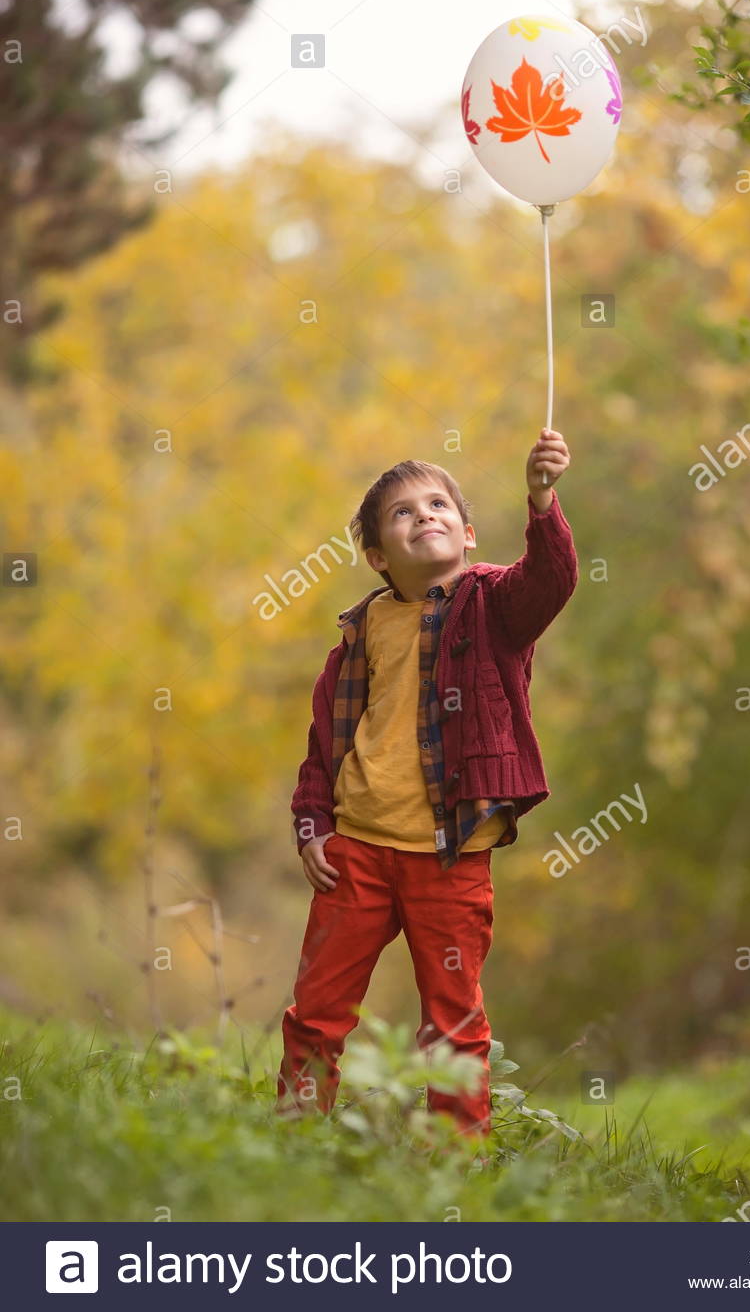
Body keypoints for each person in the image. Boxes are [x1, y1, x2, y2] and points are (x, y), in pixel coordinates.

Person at [276, 428, 578, 1137]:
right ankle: (292, 1138)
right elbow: (325, 746)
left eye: (439, 504)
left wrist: (541, 497)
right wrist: (312, 825)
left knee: (454, 1020)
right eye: (404, 513)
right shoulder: (362, 633)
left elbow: (554, 578)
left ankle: (454, 1160)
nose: (426, 516)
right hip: (357, 853)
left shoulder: (495, 607)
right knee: (316, 1010)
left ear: (469, 533)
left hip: (453, 854)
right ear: (379, 556)